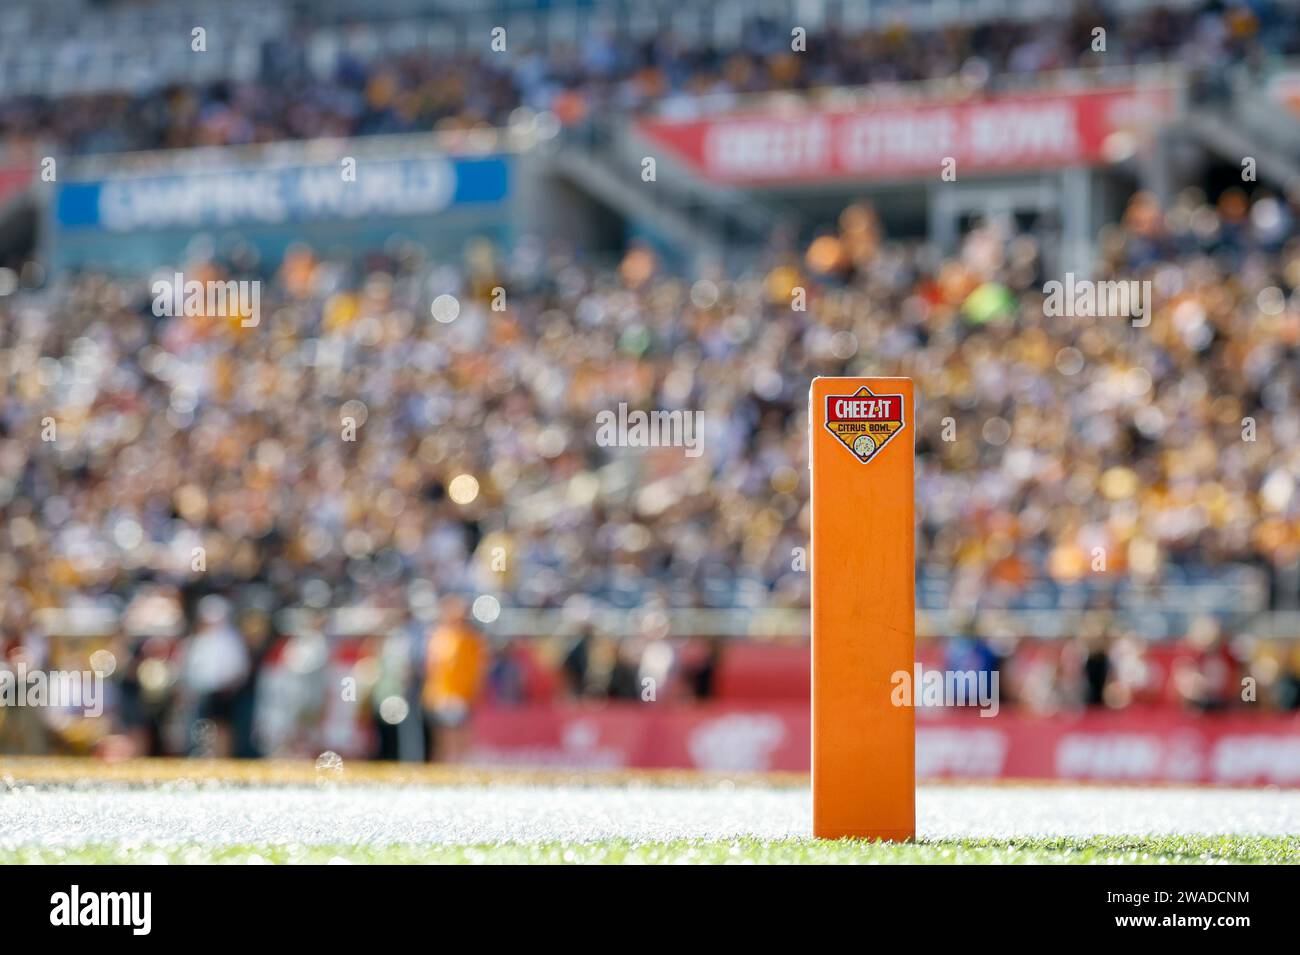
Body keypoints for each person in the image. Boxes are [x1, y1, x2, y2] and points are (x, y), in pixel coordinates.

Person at [422, 596, 486, 763]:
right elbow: (434, 669)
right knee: (443, 739)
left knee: (458, 737)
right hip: (442, 695)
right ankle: (446, 771)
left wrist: (469, 693)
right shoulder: (440, 636)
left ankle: (457, 768)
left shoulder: (469, 639)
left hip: (459, 695)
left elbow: (475, 670)